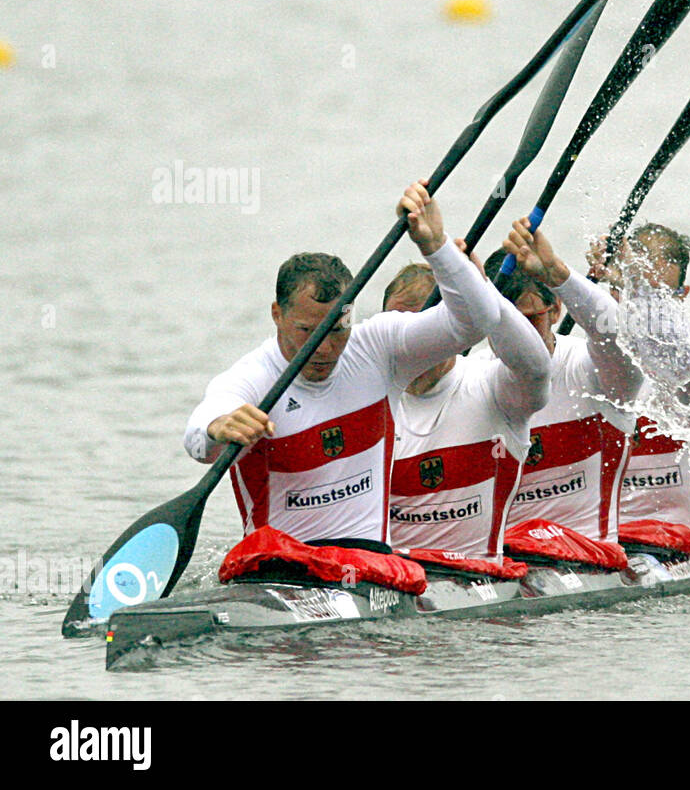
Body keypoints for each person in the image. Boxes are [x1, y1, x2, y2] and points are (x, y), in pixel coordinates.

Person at [182, 180, 500, 551]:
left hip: (370, 568)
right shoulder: (254, 377)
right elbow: (198, 440)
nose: (325, 348)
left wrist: (436, 247)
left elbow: (478, 321)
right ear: (276, 315)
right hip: (281, 569)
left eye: (337, 330)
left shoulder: (379, 349)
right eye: (307, 330)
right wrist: (217, 427)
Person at [384, 253, 550, 564]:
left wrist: (482, 289)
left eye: (420, 329)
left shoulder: (493, 387)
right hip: (393, 578)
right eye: (397, 330)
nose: (408, 345)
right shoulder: (369, 398)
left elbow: (538, 369)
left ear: (449, 329)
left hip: (475, 575)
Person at [496, 217, 643, 566]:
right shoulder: (473, 377)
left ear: (556, 309)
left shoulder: (593, 373)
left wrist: (559, 275)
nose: (520, 337)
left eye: (530, 318)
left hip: (588, 561)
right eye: (505, 323)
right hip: (504, 564)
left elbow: (614, 332)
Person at [597, 223, 690, 553]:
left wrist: (635, 290)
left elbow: (672, 353)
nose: (643, 306)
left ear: (683, 297)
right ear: (612, 291)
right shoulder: (592, 364)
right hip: (607, 543)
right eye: (634, 292)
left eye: (660, 296)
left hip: (682, 543)